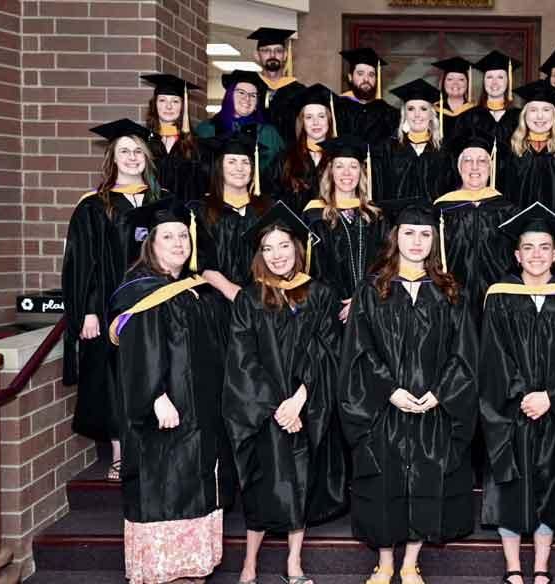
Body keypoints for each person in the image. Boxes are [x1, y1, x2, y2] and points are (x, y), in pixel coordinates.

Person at [339, 201, 478, 584]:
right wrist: (389, 390)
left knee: (426, 480)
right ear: (395, 237)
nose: (417, 241)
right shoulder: (372, 289)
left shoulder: (450, 291)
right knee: (385, 483)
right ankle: (384, 562)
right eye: (409, 232)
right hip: (386, 408)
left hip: (433, 407)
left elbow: (464, 351)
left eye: (425, 234)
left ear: (435, 240)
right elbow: (358, 350)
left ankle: (410, 562)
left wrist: (441, 392)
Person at [224, 202, 347, 584]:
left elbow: (329, 351)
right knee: (262, 484)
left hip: (306, 406)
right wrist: (276, 405)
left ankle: (294, 563)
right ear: (260, 255)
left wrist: (300, 400)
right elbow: (242, 359)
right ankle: (249, 564)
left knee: (300, 481)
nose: (277, 255)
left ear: (298, 248)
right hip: (263, 410)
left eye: (284, 246)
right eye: (268, 248)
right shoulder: (248, 298)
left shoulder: (319, 295)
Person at [109, 197, 229, 584]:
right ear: (151, 242)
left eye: (183, 236)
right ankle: (162, 568)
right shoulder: (140, 291)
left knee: (193, 480)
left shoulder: (189, 288)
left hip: (198, 411)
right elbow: (135, 352)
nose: (179, 243)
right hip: (164, 409)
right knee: (164, 483)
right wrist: (156, 395)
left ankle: (190, 566)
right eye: (168, 237)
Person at [479, 202, 555, 584]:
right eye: (528, 248)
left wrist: (550, 396)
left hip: (554, 410)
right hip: (510, 411)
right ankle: (513, 567)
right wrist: (521, 396)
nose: (536, 255)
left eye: (544, 247)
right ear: (516, 255)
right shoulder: (499, 296)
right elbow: (492, 356)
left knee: (550, 484)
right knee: (509, 484)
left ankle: (542, 567)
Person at [62, 118, 160, 482]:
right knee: (115, 377)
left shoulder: (160, 200)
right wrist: (88, 310)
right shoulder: (94, 205)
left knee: (154, 372)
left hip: (155, 301)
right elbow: (83, 262)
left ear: (146, 158)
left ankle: (152, 448)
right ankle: (120, 453)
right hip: (109, 305)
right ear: (113, 159)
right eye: (124, 152)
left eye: (138, 151)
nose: (132, 157)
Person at [433, 131, 517, 324]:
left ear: (491, 167)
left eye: (482, 161)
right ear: (458, 167)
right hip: (452, 295)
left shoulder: (507, 209)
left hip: (498, 296)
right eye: (468, 160)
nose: (475, 167)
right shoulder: (441, 209)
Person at [303, 135, 388, 323]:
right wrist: (337, 303)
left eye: (353, 166)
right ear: (330, 171)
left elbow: (386, 263)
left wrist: (363, 298)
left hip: (372, 308)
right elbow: (313, 271)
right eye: (339, 166)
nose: (347, 173)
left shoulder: (376, 217)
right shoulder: (315, 216)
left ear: (362, 172)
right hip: (329, 312)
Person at [195, 131, 272, 302]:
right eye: (231, 161)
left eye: (245, 162)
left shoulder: (268, 209)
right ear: (219, 167)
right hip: (215, 300)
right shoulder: (201, 211)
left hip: (262, 299)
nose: (239, 168)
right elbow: (199, 260)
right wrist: (230, 290)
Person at [454, 50, 522, 191]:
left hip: (513, 182)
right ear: (484, 82)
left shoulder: (519, 116)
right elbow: (457, 154)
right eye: (489, 77)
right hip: (476, 182)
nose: (495, 82)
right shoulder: (468, 116)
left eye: (500, 77)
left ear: (508, 81)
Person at [194, 69, 285, 175]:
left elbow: (279, 171)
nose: (247, 98)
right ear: (229, 96)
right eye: (241, 92)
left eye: (253, 95)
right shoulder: (206, 129)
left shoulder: (268, 134)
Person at [268, 83, 338, 215]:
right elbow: (273, 198)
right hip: (295, 230)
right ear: (302, 122)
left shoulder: (339, 157)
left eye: (321, 116)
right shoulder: (285, 158)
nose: (315, 122)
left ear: (329, 120)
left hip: (333, 229)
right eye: (309, 117)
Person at [505, 80, 555, 212]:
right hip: (517, 225)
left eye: (546, 110)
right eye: (533, 110)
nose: (540, 116)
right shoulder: (510, 150)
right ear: (524, 115)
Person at [382, 78, 450, 201]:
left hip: (434, 216)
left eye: (423, 109)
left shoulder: (444, 149)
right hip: (398, 217)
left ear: (431, 114)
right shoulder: (390, 148)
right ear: (404, 114)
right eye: (411, 109)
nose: (417, 115)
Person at [141, 73, 206, 203]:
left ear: (183, 106)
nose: (169, 106)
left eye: (175, 101)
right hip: (149, 215)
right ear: (155, 104)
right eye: (162, 100)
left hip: (185, 216)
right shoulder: (143, 142)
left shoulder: (196, 145)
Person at [336, 47, 400, 144]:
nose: (366, 79)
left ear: (376, 79)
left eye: (371, 74)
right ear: (350, 77)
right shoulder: (337, 109)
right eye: (360, 73)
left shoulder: (388, 113)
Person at [247, 27, 302, 115]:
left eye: (278, 51)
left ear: (285, 55)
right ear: (257, 55)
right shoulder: (247, 88)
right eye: (266, 50)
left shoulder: (299, 91)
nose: (272, 55)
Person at [432, 56, 475, 141]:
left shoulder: (477, 112)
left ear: (468, 83)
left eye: (461, 79)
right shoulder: (433, 112)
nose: (455, 84)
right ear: (443, 82)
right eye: (450, 79)